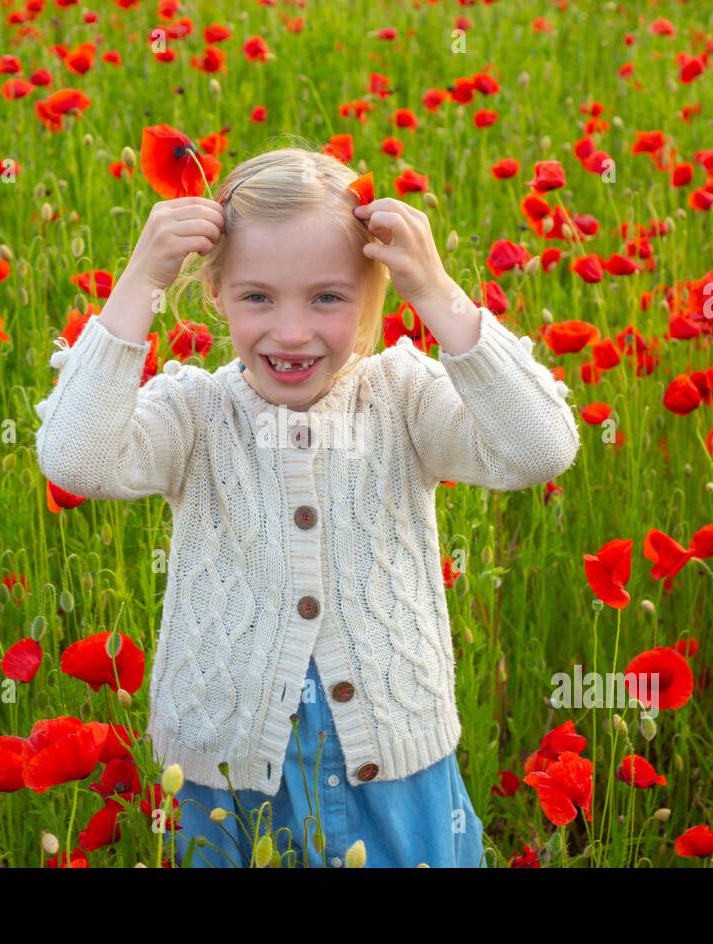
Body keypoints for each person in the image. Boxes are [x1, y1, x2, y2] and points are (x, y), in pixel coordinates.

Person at [34, 143, 582, 867]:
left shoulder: (404, 398)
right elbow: (76, 457)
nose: (291, 332)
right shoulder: (195, 413)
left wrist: (440, 293)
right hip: (228, 780)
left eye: (328, 297)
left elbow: (541, 446)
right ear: (216, 294)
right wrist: (139, 282)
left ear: (375, 295)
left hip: (392, 770)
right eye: (257, 296)